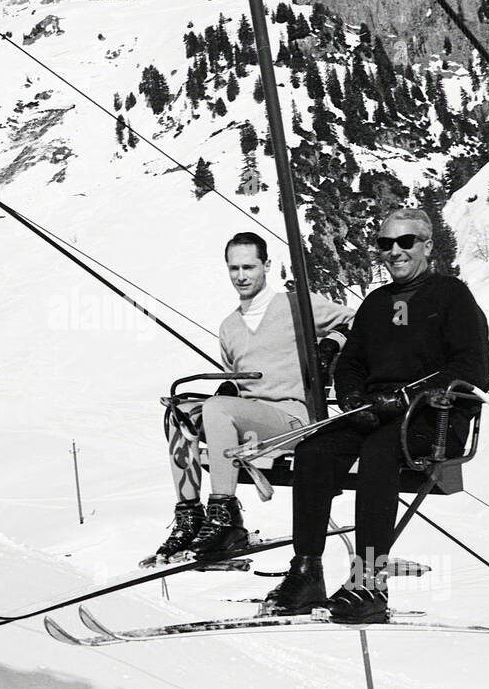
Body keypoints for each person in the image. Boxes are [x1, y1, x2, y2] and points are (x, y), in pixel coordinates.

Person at [262, 208, 489, 622]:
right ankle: (307, 569)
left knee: (380, 456)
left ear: (427, 245)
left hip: (432, 417)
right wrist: (351, 395)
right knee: (317, 451)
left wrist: (409, 398)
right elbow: (351, 361)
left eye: (406, 242)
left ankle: (370, 580)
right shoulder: (375, 303)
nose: (395, 252)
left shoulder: (451, 295)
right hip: (377, 411)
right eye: (386, 244)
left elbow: (471, 365)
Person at [143, 232, 354, 566]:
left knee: (216, 408)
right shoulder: (229, 327)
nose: (241, 276)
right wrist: (230, 389)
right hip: (251, 419)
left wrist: (331, 345)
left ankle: (226, 519)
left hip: (292, 418)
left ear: (266, 265)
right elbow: (237, 381)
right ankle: (190, 517)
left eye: (249, 267)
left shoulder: (296, 305)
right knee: (180, 411)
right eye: (233, 268)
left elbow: (354, 319)